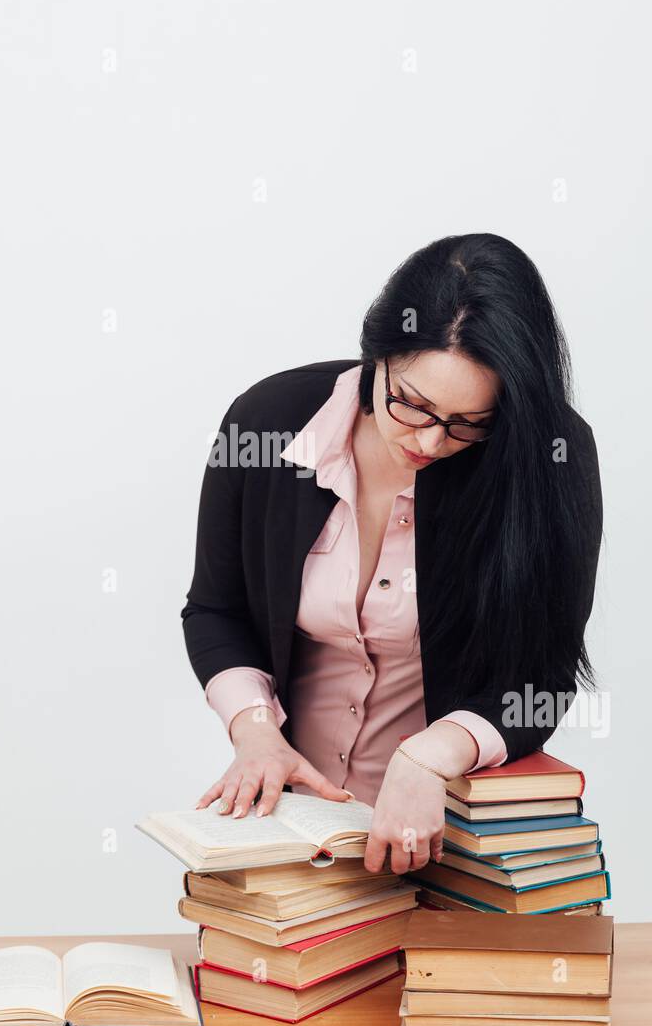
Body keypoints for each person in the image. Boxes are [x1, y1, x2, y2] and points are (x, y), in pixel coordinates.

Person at [181, 234, 603, 875]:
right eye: (411, 404)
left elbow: (541, 680)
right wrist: (255, 729)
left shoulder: (550, 456)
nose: (431, 441)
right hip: (293, 827)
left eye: (469, 422)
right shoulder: (266, 423)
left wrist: (431, 755)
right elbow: (215, 610)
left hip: (453, 833)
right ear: (375, 354)